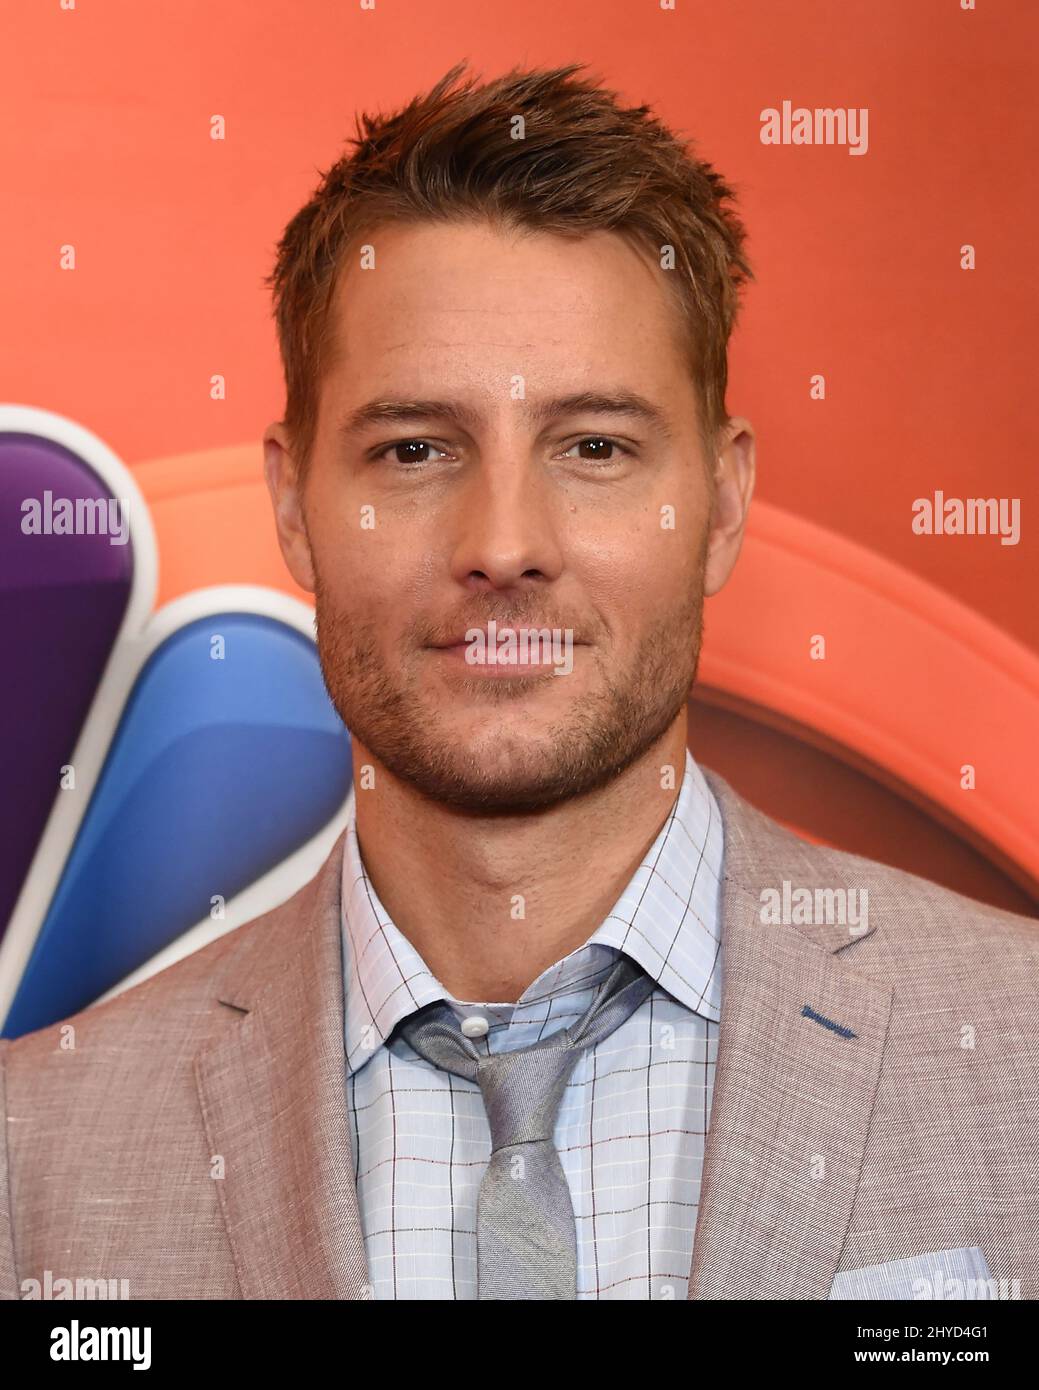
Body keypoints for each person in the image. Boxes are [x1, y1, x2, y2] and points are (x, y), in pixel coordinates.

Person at [2, 61, 1036, 1302]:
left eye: (593, 446)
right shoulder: (38, 1153)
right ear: (293, 503)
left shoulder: (1013, 1043)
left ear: (722, 504)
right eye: (416, 448)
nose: (501, 541)